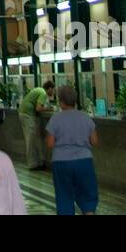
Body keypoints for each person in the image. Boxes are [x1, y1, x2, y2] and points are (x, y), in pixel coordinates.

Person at [45, 85, 99, 215]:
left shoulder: (55, 118)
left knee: (64, 195)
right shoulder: (85, 117)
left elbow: (50, 143)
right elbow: (95, 141)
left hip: (61, 162)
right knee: (87, 194)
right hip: (84, 161)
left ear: (61, 101)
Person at [18, 80, 55, 170]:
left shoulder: (39, 89)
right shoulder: (43, 93)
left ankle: (37, 162)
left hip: (23, 113)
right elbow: (38, 108)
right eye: (52, 89)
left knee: (32, 139)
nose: (53, 92)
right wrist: (49, 109)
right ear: (49, 88)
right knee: (31, 140)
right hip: (28, 115)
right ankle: (32, 164)